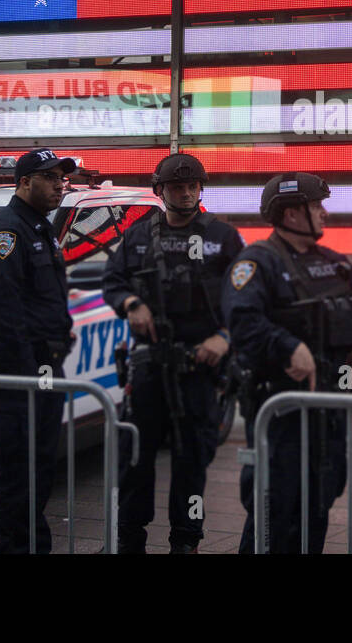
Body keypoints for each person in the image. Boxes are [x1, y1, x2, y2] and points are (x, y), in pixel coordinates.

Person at [222, 172, 352, 554]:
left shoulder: (336, 264)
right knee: (273, 512)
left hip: (329, 409)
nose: (324, 213)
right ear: (291, 214)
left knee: (318, 505)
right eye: (315, 207)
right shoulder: (258, 263)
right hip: (282, 414)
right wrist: (288, 346)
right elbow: (242, 321)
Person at [101, 152, 245, 554]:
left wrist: (224, 336)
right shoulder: (139, 235)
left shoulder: (223, 237)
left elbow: (247, 299)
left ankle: (187, 541)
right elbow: (112, 279)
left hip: (200, 369)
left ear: (201, 189)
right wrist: (131, 303)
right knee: (135, 460)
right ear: (160, 190)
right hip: (149, 369)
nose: (185, 193)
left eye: (192, 186)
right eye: (176, 186)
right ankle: (129, 540)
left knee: (192, 463)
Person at [0, 148, 77, 554]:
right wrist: (27, 370)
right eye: (49, 178)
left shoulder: (39, 228)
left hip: (44, 370)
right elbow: (3, 311)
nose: (58, 185)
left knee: (37, 470)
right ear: (24, 182)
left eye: (61, 178)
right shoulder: (7, 232)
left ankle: (31, 546)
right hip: (19, 373)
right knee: (7, 475)